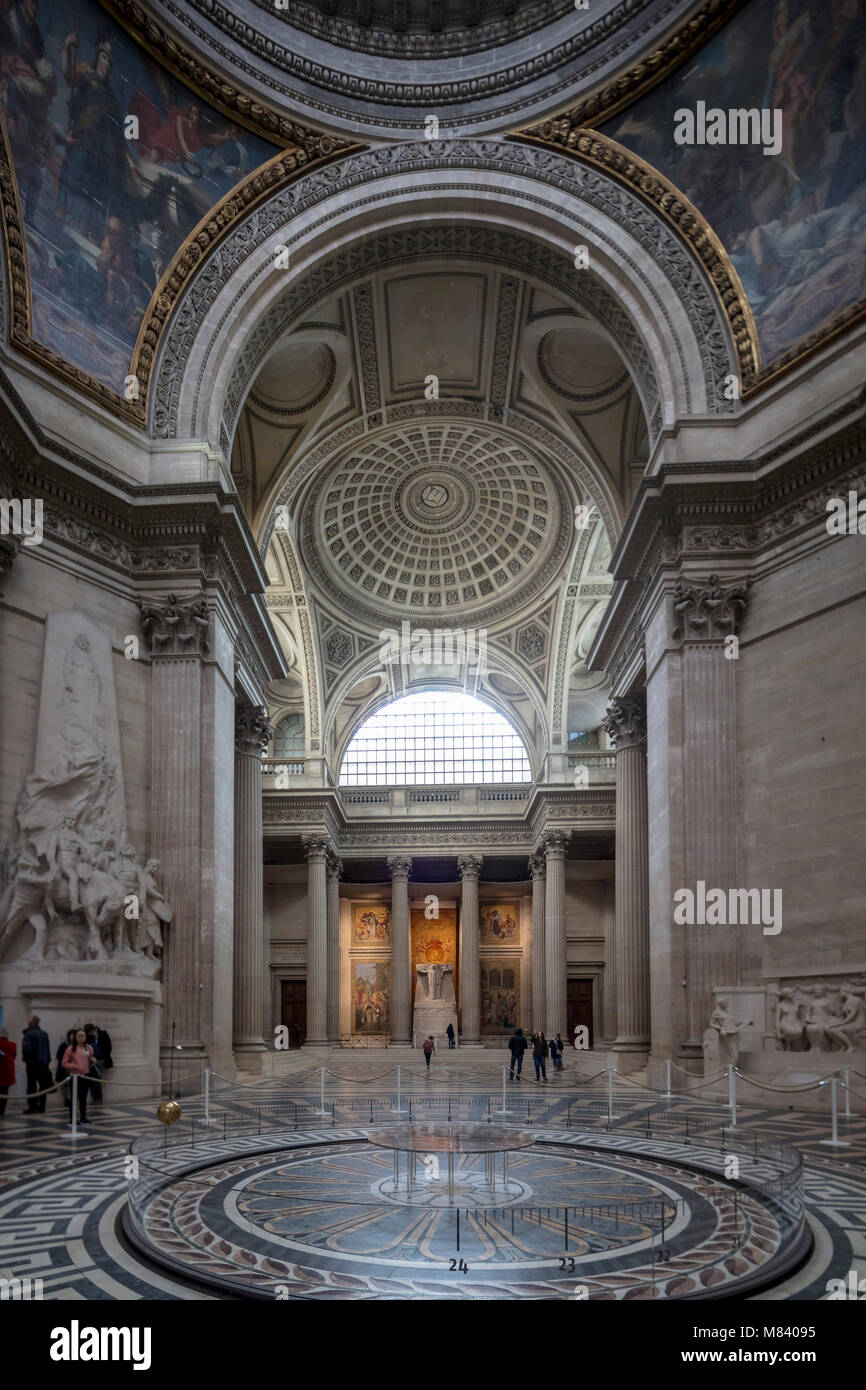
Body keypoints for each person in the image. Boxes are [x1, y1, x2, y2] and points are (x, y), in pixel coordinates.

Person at [61, 1029, 95, 1125]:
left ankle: (83, 1117)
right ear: (75, 1037)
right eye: (79, 1036)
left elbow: (91, 1058)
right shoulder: (70, 1048)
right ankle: (72, 1119)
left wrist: (92, 1060)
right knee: (74, 1099)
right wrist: (76, 1067)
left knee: (83, 1098)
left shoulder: (89, 1047)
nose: (81, 1037)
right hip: (75, 1076)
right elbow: (64, 1063)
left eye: (83, 1036)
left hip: (86, 1076)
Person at [22, 1014, 51, 1113]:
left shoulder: (28, 1034)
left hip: (32, 1064)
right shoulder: (44, 1034)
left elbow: (27, 1050)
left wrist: (27, 1061)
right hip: (44, 1064)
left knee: (31, 1086)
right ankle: (42, 1107)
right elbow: (48, 1051)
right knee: (43, 1086)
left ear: (30, 1022)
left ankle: (32, 1107)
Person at [84, 1022, 111, 1104]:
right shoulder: (87, 1037)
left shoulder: (103, 1034)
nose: (90, 1033)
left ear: (93, 1029)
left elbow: (108, 1046)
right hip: (91, 1060)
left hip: (100, 1060)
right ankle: (94, 1098)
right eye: (88, 1033)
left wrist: (105, 1056)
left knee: (97, 1080)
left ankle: (98, 1098)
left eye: (90, 1032)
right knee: (92, 1080)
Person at [0, 1027, 17, 1116]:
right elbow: (13, 1057)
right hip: (8, 1072)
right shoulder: (13, 1045)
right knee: (4, 1093)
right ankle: (2, 1110)